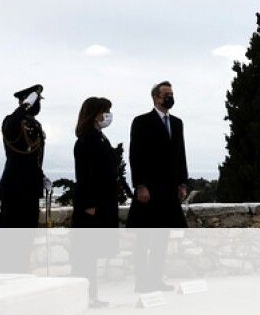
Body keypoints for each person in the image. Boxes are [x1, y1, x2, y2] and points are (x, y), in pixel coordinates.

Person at [127, 81, 189, 293]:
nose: (169, 97)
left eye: (172, 93)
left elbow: (180, 154)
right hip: (149, 190)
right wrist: (140, 185)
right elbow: (135, 155)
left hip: (169, 190)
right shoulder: (141, 122)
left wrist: (182, 183)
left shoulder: (178, 123)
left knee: (162, 238)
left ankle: (155, 279)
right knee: (144, 238)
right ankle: (141, 282)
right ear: (155, 98)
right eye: (165, 94)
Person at [72, 97, 119, 308]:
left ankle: (92, 295)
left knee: (92, 255)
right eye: (104, 111)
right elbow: (85, 175)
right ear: (94, 114)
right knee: (85, 255)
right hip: (91, 206)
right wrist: (89, 204)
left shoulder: (99, 137)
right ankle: (85, 296)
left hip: (103, 202)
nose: (107, 115)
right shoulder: (85, 140)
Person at [0, 85, 49, 228]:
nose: (38, 105)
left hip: (32, 189)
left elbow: (34, 159)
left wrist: (41, 176)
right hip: (14, 189)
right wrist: (25, 104)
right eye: (36, 101)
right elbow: (11, 125)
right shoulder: (12, 121)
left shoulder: (36, 125)